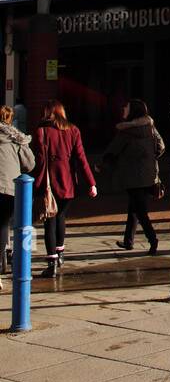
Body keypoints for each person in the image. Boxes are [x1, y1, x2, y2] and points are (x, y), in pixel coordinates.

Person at [32, 100, 97, 277]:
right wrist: (91, 182)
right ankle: (60, 253)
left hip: (49, 184)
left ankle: (51, 262)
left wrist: (34, 182)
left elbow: (39, 161)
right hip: (68, 182)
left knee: (49, 221)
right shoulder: (73, 130)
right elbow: (81, 158)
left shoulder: (41, 131)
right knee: (61, 216)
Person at [100, 98, 165, 254]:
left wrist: (102, 165)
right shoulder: (151, 127)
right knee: (134, 208)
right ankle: (128, 241)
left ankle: (153, 240)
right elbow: (161, 146)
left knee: (140, 210)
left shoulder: (126, 131)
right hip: (149, 174)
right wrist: (149, 159)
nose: (124, 108)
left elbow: (113, 151)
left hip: (132, 176)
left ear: (133, 111)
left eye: (127, 107)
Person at [0, 105, 35, 279]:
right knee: (4, 222)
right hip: (8, 187)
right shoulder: (16, 139)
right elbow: (29, 164)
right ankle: (6, 254)